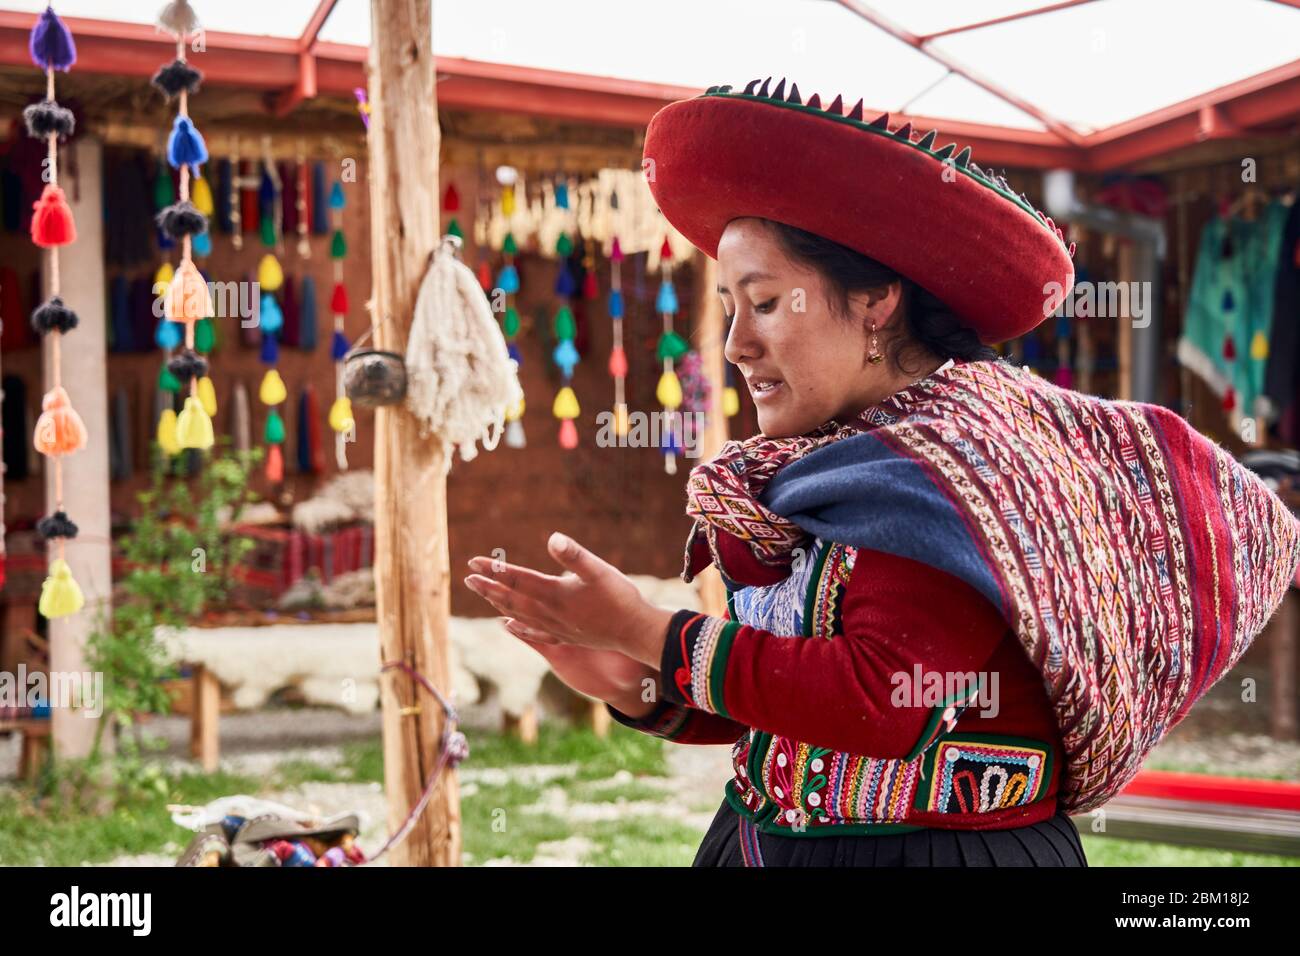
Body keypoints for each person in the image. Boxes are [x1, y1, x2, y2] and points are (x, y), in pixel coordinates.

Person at [464, 78, 1300, 867]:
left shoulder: (955, 464)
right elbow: (804, 706)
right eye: (728, 309)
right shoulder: (838, 460)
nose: (735, 345)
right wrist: (645, 684)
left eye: (764, 303)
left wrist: (653, 633)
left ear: (876, 302)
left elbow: (889, 697)